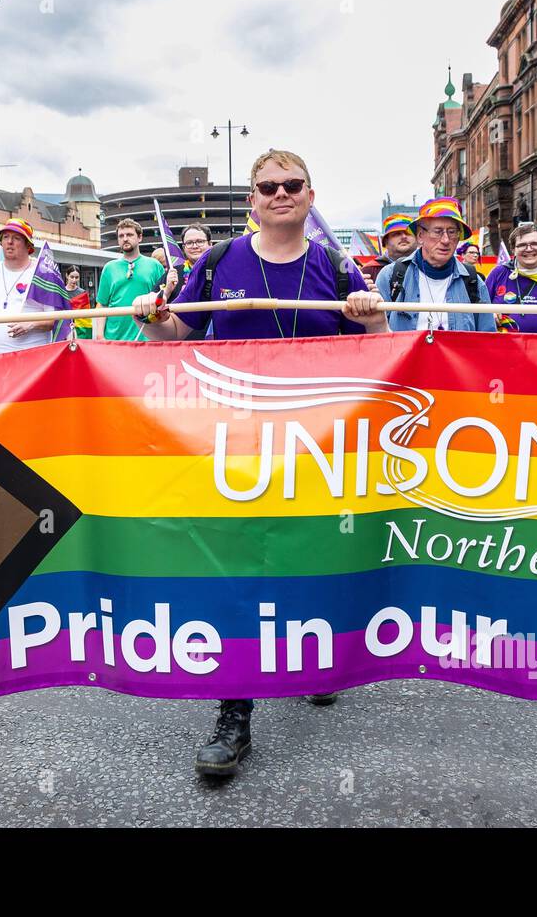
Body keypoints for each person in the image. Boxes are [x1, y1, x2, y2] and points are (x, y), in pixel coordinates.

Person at [131, 148, 386, 777]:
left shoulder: (332, 265)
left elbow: (380, 347)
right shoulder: (219, 263)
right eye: (267, 186)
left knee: (312, 556)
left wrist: (372, 315)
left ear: (310, 194)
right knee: (239, 568)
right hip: (235, 443)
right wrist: (152, 317)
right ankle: (234, 711)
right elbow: (176, 337)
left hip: (315, 446)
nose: (280, 194)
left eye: (292, 185)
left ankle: (313, 660)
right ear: (252, 198)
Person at [375, 198, 495, 333]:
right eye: (437, 231)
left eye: (452, 232)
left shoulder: (474, 282)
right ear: (420, 236)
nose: (445, 240)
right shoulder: (390, 276)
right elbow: (378, 338)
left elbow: (487, 339)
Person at [0, 219, 58, 357]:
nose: (9, 242)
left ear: (27, 244)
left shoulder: (43, 273)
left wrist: (30, 324)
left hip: (34, 362)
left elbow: (54, 319)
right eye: (5, 237)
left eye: (16, 238)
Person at [95, 219, 165, 341]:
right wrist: (100, 335)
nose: (125, 238)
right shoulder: (109, 268)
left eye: (130, 235)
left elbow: (163, 300)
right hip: (114, 338)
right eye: (121, 236)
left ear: (140, 237)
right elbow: (102, 304)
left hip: (147, 336)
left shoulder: (155, 266)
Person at [360, 215, 417, 288]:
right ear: (386, 242)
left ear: (418, 238)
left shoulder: (429, 266)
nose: (403, 236)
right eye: (396, 234)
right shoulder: (369, 270)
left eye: (408, 233)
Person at [63, 265, 93, 340]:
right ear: (67, 276)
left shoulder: (83, 294)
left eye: (76, 277)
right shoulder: (61, 292)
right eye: (72, 277)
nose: (74, 280)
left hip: (79, 330)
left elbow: (86, 317)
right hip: (63, 329)